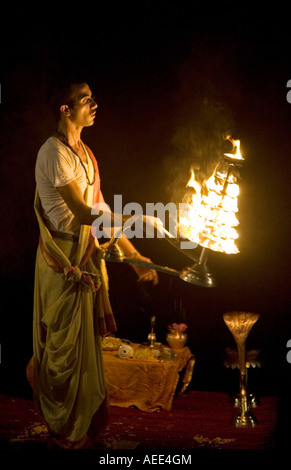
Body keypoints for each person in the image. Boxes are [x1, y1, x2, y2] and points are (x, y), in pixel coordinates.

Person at [33, 76, 161, 449]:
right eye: (85, 99)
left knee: (84, 351)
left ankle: (82, 433)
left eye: (92, 98)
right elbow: (84, 213)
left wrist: (137, 256)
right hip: (62, 263)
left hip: (85, 257)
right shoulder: (53, 153)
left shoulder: (86, 154)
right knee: (63, 354)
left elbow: (101, 209)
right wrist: (139, 217)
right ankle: (65, 434)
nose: (94, 104)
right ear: (65, 109)